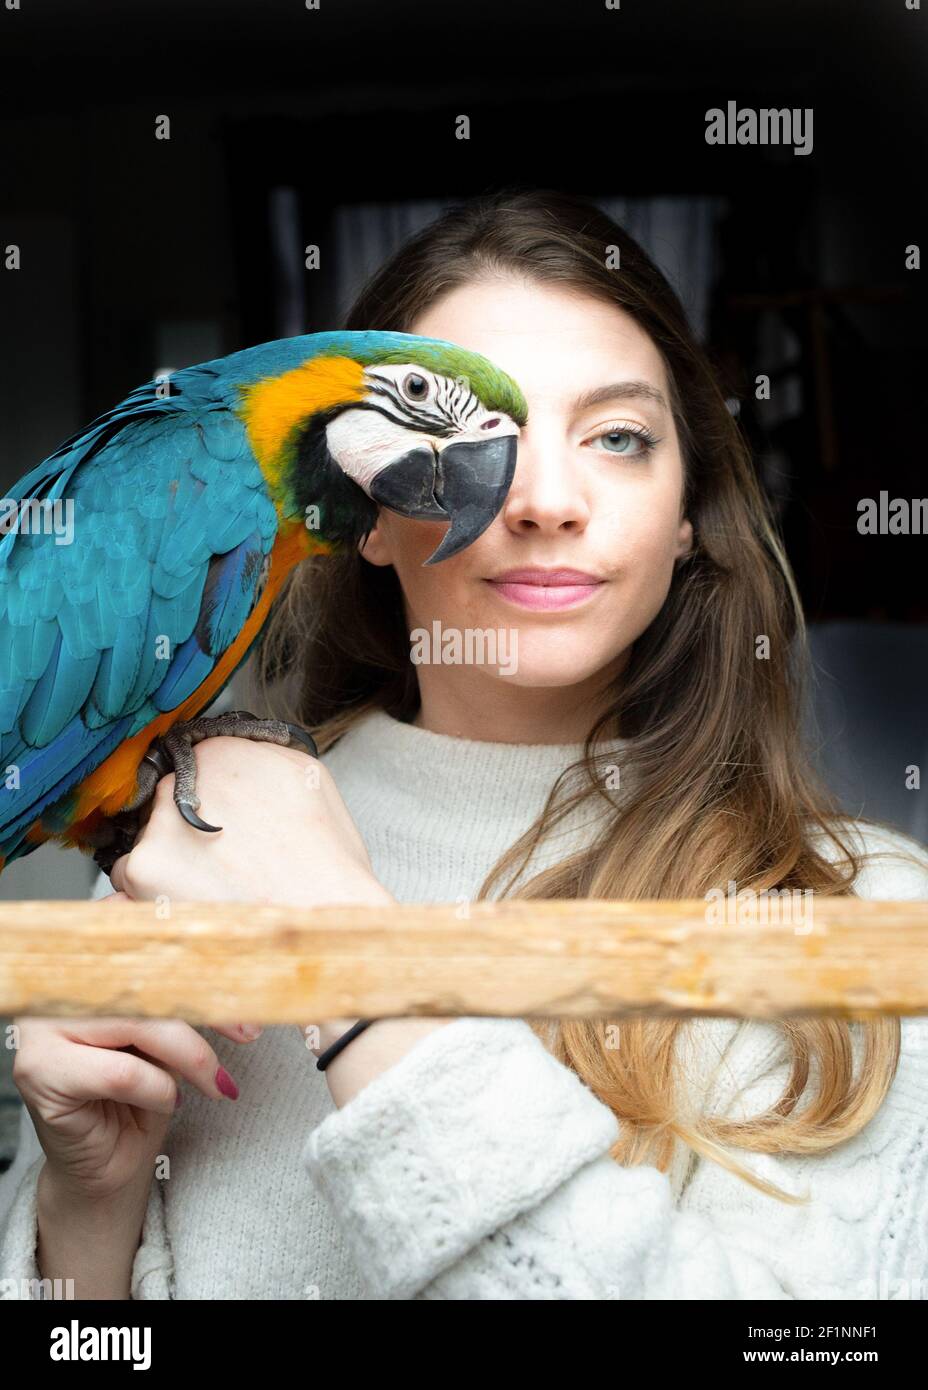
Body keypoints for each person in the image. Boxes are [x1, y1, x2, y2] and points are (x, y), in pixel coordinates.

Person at [2, 188, 927, 1301]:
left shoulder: (867, 920)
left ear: (688, 512)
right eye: (478, 428)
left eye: (618, 438)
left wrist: (347, 946)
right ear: (374, 519)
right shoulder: (185, 857)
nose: (540, 499)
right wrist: (82, 1212)